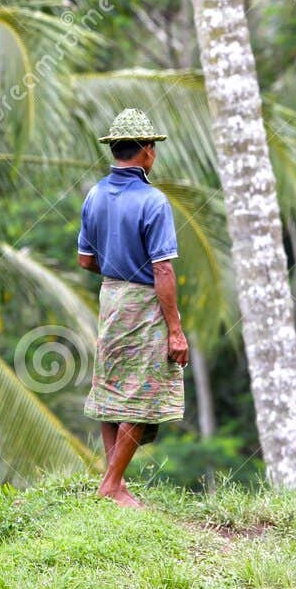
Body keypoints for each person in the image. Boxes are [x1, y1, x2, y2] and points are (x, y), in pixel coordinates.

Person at [77, 109, 188, 508]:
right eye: (152, 148)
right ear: (145, 151)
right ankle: (111, 484)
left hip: (110, 297)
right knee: (145, 390)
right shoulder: (154, 201)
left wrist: (116, 263)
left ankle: (114, 482)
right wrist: (175, 329)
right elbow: (163, 269)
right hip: (143, 303)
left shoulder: (94, 195)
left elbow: (85, 260)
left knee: (112, 385)